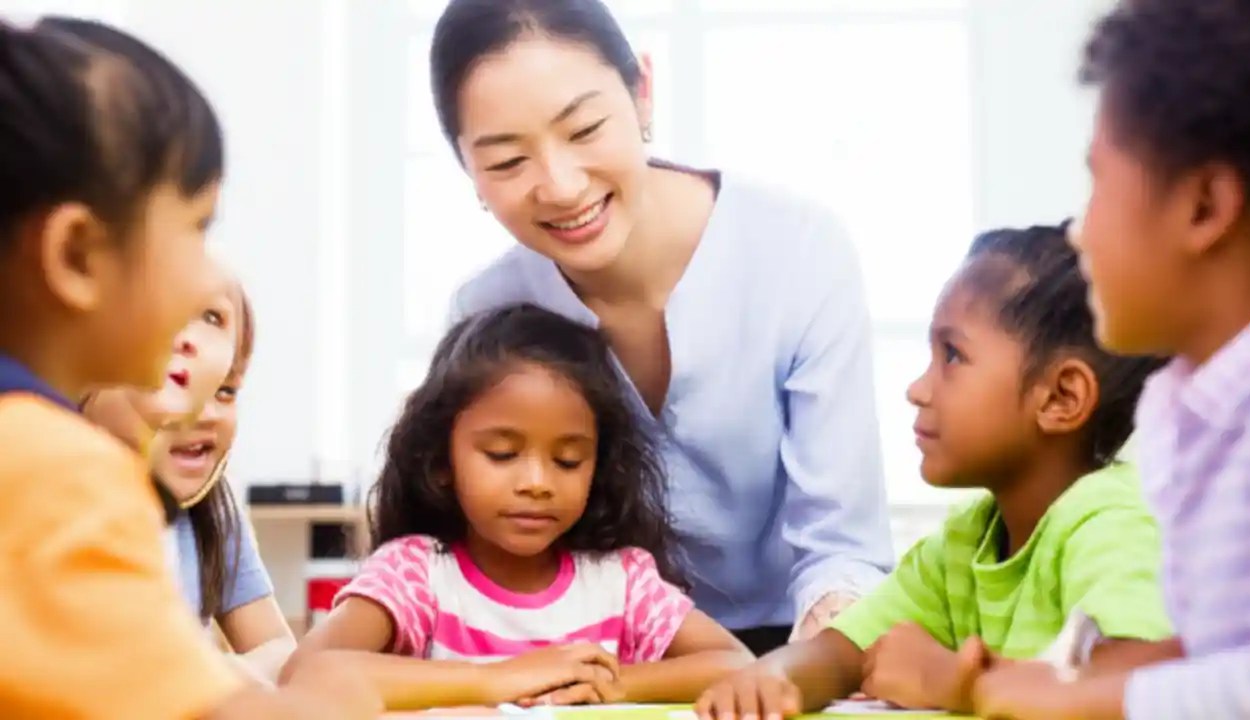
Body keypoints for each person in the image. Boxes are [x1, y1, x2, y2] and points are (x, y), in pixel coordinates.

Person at [433, 0, 892, 654]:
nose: (561, 187)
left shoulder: (798, 249)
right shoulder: (486, 310)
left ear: (641, 92)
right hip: (586, 661)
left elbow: (843, 545)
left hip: (789, 646)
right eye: (507, 162)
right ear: (466, 166)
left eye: (585, 129)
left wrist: (817, 652)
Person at [0, 16, 379, 719]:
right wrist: (340, 698)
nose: (210, 280)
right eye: (197, 231)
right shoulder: (58, 474)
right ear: (77, 257)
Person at [696, 223, 1172, 719]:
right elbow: (842, 652)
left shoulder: (1112, 522)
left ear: (1060, 398)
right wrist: (773, 680)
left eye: (952, 355)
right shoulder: (965, 541)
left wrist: (951, 683)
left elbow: (1136, 691)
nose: (919, 389)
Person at [972, 2, 1250, 719]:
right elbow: (1214, 652)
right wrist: (1047, 680)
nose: (1079, 230)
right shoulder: (1193, 406)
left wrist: (1067, 705)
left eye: (1099, 183)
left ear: (1204, 206)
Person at [287, 304, 753, 709]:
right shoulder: (416, 576)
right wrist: (495, 680)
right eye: (502, 455)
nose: (537, 483)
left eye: (568, 461)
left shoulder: (621, 582)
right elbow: (304, 677)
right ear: (441, 461)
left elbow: (737, 664)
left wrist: (614, 683)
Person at [85, 277, 296, 682]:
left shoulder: (211, 509)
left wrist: (214, 679)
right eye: (173, 380)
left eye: (226, 391)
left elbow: (279, 648)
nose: (206, 413)